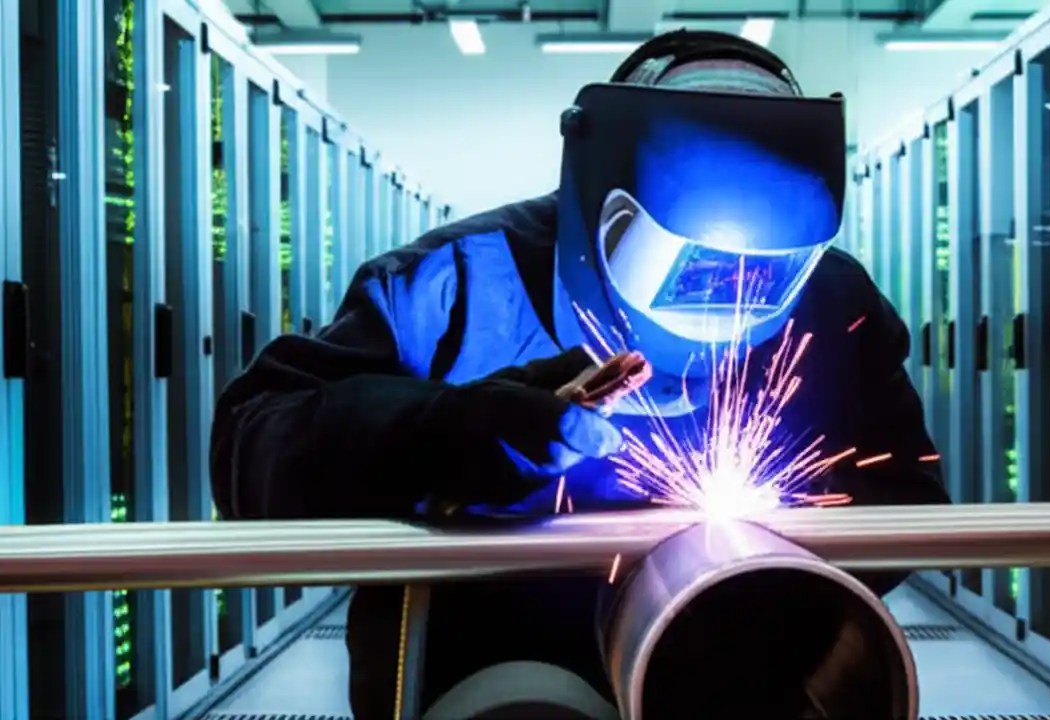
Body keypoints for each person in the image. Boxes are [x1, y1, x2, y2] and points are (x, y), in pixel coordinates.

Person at [210, 29, 949, 720]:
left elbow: (904, 495)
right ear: (614, 213)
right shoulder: (455, 284)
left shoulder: (831, 300)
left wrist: (785, 592)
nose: (730, 298)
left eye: (767, 276)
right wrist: (446, 432)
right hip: (486, 682)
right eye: (698, 268)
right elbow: (251, 445)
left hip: (719, 680)